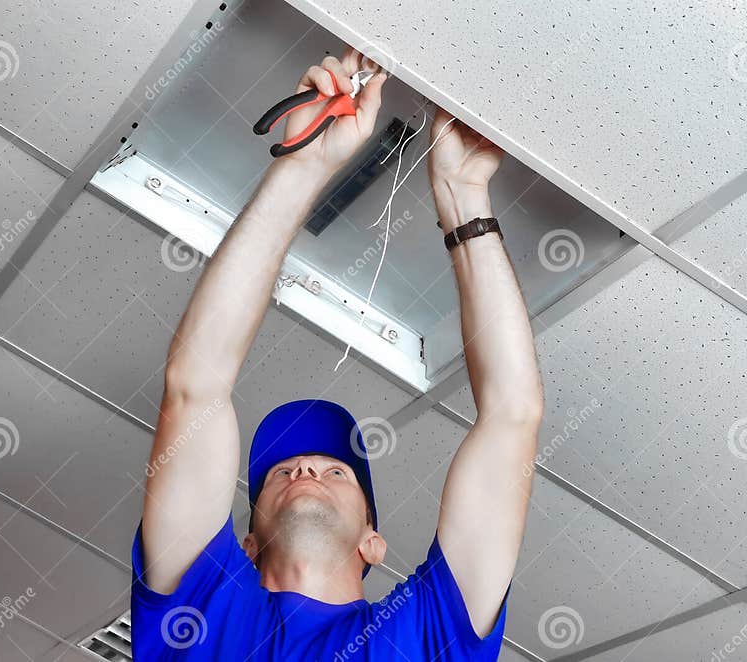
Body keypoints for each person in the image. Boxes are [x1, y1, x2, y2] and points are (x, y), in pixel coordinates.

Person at [131, 45, 544, 661]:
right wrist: (301, 166)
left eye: (331, 471)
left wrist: (462, 193)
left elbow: (513, 417)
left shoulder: (417, 628)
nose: (303, 472)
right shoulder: (206, 609)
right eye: (285, 473)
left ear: (371, 543)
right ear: (246, 544)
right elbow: (194, 386)